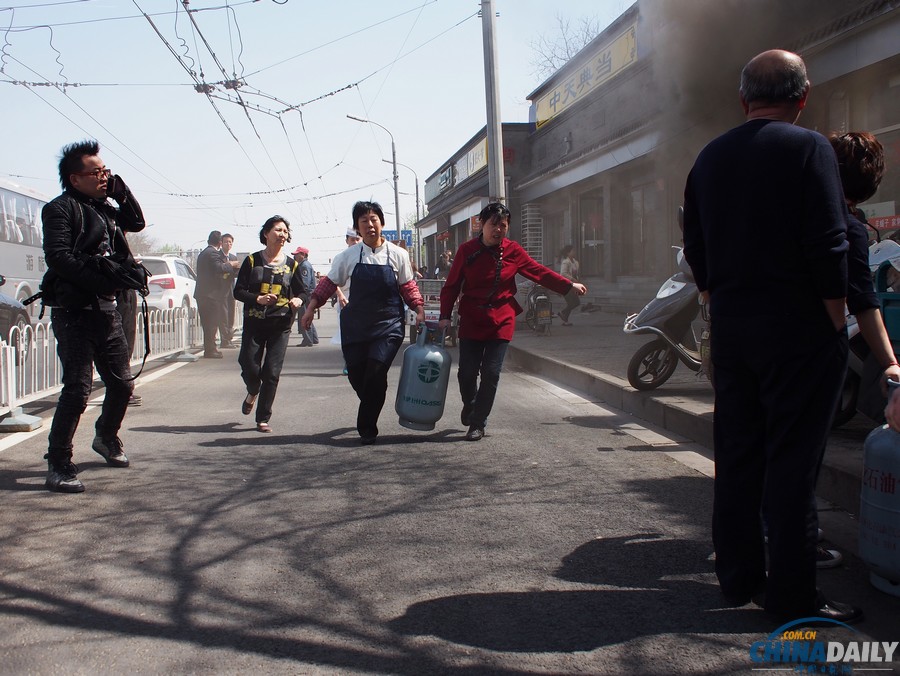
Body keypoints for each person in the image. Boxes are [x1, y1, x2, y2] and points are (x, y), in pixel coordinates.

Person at [681, 49, 859, 622]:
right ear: (802, 98)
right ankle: (791, 598)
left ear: (743, 100)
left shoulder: (709, 157)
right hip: (800, 332)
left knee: (737, 455)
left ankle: (737, 577)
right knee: (792, 465)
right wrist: (837, 320)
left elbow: (696, 244)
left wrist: (715, 299)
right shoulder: (810, 149)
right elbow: (829, 244)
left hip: (733, 331)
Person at [40, 140, 146, 493]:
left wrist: (121, 190)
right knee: (77, 390)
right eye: (97, 173)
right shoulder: (59, 209)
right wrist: (105, 277)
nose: (104, 177)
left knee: (122, 383)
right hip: (73, 313)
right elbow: (59, 257)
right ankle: (58, 463)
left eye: (106, 171)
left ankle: (106, 437)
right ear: (74, 178)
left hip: (107, 311)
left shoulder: (107, 209)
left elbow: (137, 222)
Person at [438, 202, 587, 441]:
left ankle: (478, 423)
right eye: (493, 224)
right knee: (466, 373)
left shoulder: (513, 250)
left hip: (501, 319)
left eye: (503, 226)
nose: (498, 230)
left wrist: (568, 285)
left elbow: (538, 271)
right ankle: (470, 403)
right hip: (472, 318)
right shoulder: (466, 251)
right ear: (482, 225)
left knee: (491, 373)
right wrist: (445, 316)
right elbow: (452, 285)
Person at [301, 201, 424, 444]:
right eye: (364, 221)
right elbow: (328, 284)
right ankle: (372, 400)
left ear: (382, 222)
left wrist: (419, 309)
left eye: (374, 219)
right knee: (358, 376)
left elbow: (408, 287)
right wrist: (311, 308)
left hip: (389, 325)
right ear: (358, 227)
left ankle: (367, 428)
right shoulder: (347, 256)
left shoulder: (398, 255)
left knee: (376, 372)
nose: (370, 224)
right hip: (356, 326)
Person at [233, 216, 305, 433]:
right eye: (278, 230)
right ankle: (253, 390)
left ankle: (263, 417)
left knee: (272, 371)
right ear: (266, 234)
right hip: (255, 322)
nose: (282, 234)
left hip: (281, 324)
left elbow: (302, 290)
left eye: (285, 231)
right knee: (249, 364)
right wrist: (258, 298)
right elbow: (238, 291)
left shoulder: (292, 265)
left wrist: (299, 299)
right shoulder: (252, 261)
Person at [194, 230, 234, 358]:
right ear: (220, 242)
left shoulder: (204, 253)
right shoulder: (212, 253)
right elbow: (219, 268)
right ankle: (210, 350)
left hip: (204, 294)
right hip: (210, 295)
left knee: (208, 324)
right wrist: (231, 264)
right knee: (211, 324)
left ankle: (210, 349)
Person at [293, 246, 319, 347]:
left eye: (296, 254)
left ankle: (308, 340)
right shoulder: (304, 265)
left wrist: (300, 295)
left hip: (306, 296)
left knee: (303, 318)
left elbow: (305, 284)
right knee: (308, 317)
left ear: (303, 255)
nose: (295, 256)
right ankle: (314, 338)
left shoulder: (304, 266)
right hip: (309, 295)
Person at [220, 232, 240, 348]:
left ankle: (229, 338)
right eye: (226, 242)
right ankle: (224, 340)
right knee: (223, 316)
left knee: (231, 315)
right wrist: (229, 267)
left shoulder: (233, 257)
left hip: (231, 290)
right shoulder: (218, 256)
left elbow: (235, 272)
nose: (228, 244)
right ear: (221, 243)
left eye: (230, 242)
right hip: (221, 291)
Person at [557, 245, 582, 326]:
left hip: (573, 286)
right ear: (568, 253)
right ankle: (563, 313)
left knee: (575, 302)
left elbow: (576, 274)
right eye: (572, 251)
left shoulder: (575, 262)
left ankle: (565, 319)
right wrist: (573, 279)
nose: (574, 252)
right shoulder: (565, 262)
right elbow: (563, 273)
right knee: (573, 302)